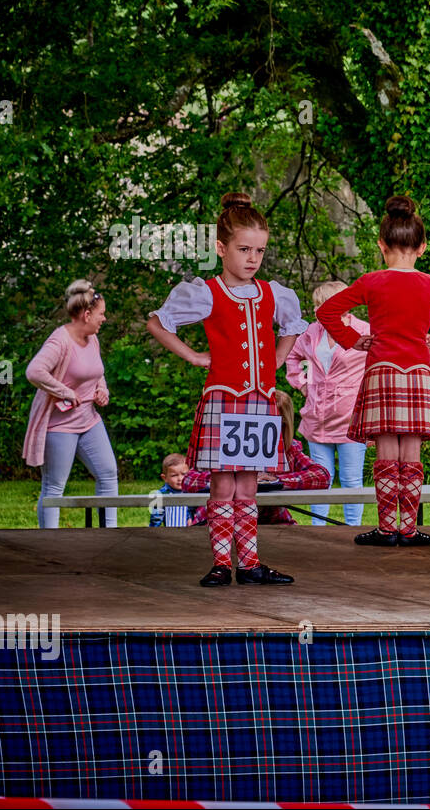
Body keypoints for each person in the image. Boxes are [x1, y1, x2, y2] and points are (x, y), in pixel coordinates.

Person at [146, 192, 307, 587]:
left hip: (260, 400)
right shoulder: (207, 292)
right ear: (221, 248)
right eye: (244, 249)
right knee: (223, 482)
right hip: (223, 398)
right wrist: (194, 356)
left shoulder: (274, 294)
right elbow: (157, 322)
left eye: (260, 250)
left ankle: (249, 563)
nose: (252, 258)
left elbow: (292, 329)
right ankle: (222, 563)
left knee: (249, 483)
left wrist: (274, 361)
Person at [317, 195, 430, 547]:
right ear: (422, 247)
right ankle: (408, 528)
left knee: (385, 452)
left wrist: (352, 339)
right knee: (412, 452)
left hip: (381, 370)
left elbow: (326, 313)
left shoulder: (370, 282)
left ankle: (385, 529)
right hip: (419, 372)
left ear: (381, 244)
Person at [24, 279, 119, 528]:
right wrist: (65, 391)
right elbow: (34, 371)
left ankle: (111, 533)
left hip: (89, 420)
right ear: (86, 315)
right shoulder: (60, 341)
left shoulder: (92, 339)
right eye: (101, 314)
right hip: (59, 426)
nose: (104, 319)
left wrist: (102, 389)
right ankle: (51, 542)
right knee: (54, 486)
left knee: (108, 473)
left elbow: (96, 370)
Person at [286, 280, 370, 526]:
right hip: (317, 415)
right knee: (320, 478)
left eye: (321, 305)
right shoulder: (312, 332)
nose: (316, 311)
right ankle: (318, 529)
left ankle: (351, 528)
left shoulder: (365, 331)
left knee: (351, 480)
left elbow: (378, 362)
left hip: (350, 417)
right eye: (316, 306)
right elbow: (293, 357)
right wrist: (303, 384)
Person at [183, 391, 331, 525]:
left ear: (283, 426)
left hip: (270, 520)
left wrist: (276, 482)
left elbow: (322, 476)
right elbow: (189, 479)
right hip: (220, 521)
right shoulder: (229, 444)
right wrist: (228, 481)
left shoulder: (288, 450)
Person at [150, 453, 190, 527]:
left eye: (184, 474)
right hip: (171, 532)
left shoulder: (191, 492)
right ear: (165, 478)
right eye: (174, 475)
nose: (180, 479)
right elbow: (156, 519)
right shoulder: (162, 494)